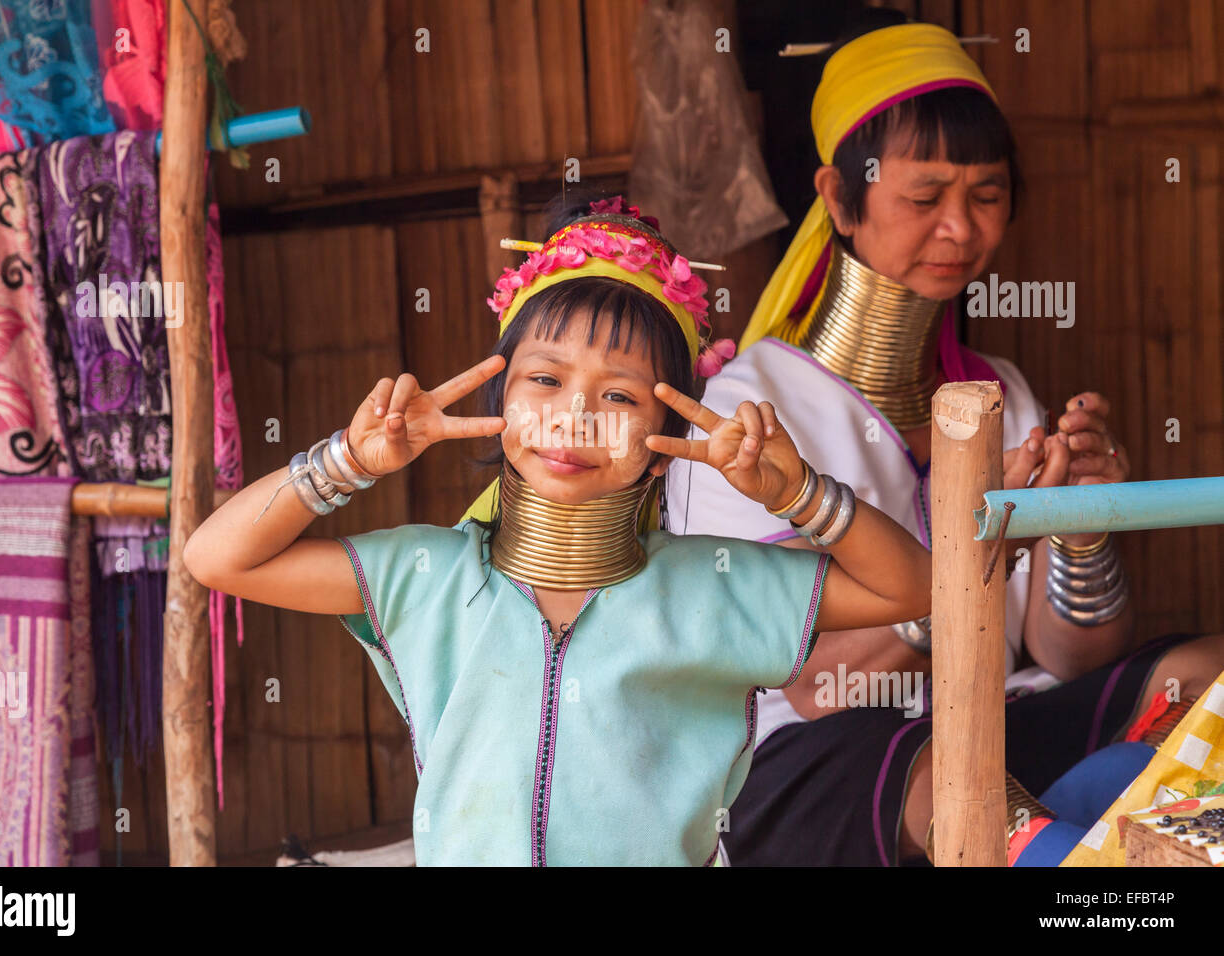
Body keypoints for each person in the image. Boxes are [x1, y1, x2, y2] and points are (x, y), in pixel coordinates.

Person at [182, 201, 933, 865]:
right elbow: (215, 557)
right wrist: (350, 460)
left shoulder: (714, 588)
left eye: (619, 394)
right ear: (501, 396)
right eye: (544, 380)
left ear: (669, 433)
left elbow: (917, 589)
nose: (575, 416)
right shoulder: (427, 577)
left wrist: (799, 493)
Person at [667, 13, 1224, 866]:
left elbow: (1073, 657)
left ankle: (1097, 835)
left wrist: (1080, 530)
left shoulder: (1002, 391)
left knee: (1207, 671)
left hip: (991, 719)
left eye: (987, 195)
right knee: (944, 769)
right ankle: (1106, 874)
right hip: (819, 763)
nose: (960, 229)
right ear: (838, 200)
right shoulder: (749, 415)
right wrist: (961, 568)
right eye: (924, 198)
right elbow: (814, 687)